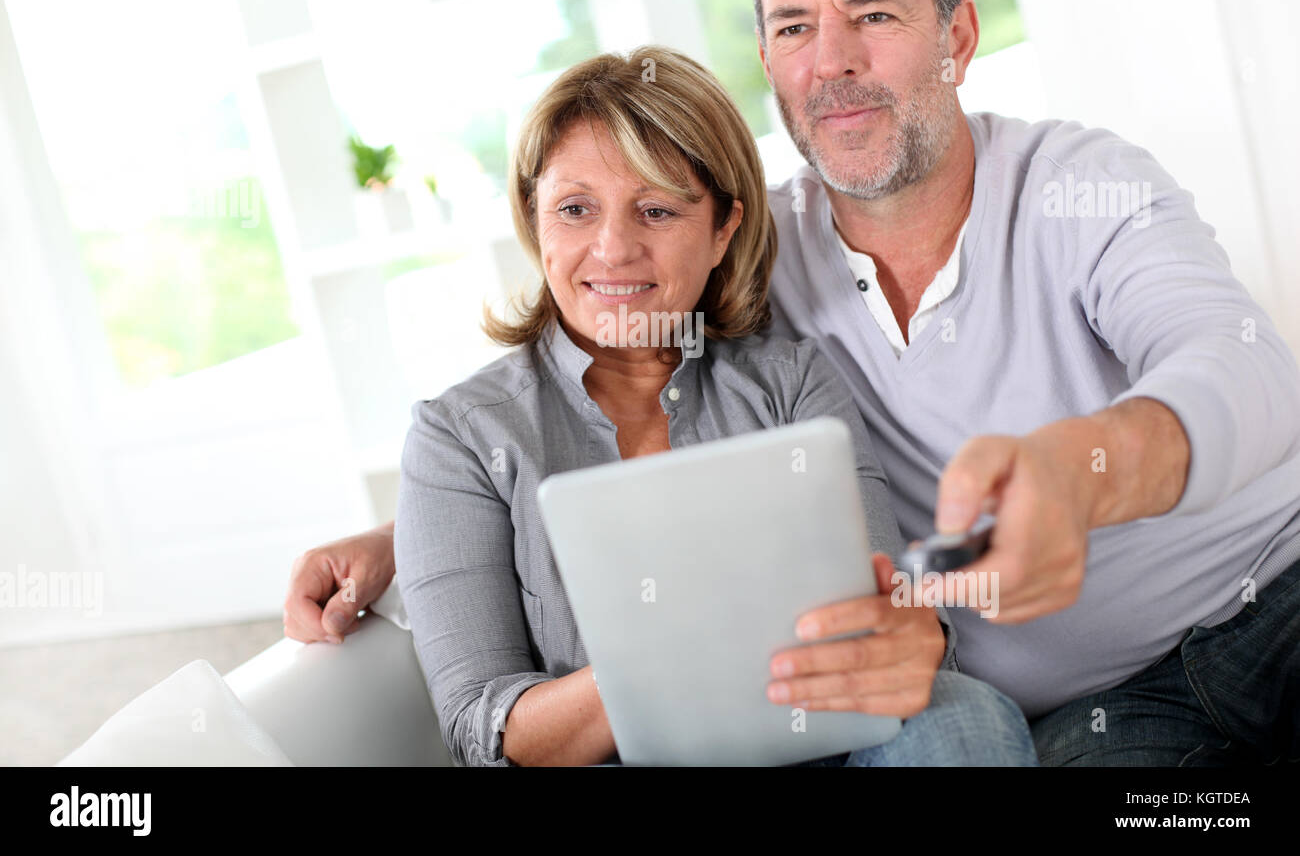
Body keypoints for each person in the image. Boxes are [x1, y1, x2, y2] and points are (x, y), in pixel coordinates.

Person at [286, 0, 1300, 766]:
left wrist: (1082, 468)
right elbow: (605, 373)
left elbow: (1243, 368)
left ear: (956, 36)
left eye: (872, 14)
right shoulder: (747, 255)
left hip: (1274, 599)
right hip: (1098, 720)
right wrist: (426, 532)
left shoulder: (1075, 185)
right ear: (768, 58)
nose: (834, 63)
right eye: (794, 28)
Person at [379, 45, 1035, 766]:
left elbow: (898, 632)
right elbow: (483, 731)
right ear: (535, 222)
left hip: (826, 751)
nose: (613, 248)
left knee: (963, 713)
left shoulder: (789, 383)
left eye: (657, 210)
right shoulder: (461, 437)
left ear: (724, 229)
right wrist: (680, 658)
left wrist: (911, 635)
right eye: (574, 209)